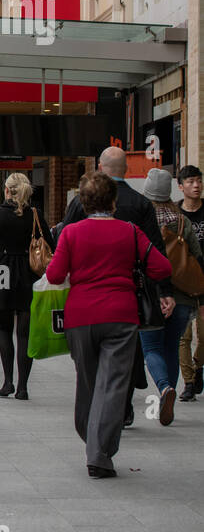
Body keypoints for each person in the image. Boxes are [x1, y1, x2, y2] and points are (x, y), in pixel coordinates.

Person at [45, 172, 172, 477]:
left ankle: (90, 436)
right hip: (120, 315)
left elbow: (53, 275)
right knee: (113, 384)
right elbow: (162, 267)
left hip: (80, 317)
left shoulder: (71, 233)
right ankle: (100, 452)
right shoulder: (130, 232)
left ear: (84, 203)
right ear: (113, 202)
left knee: (88, 381)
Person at [61, 146, 168, 427]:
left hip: (84, 301)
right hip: (128, 295)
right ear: (126, 170)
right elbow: (157, 253)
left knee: (90, 365)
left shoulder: (78, 208)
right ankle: (123, 408)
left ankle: (93, 420)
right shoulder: (141, 204)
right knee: (126, 355)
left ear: (100, 167)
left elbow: (60, 247)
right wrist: (163, 291)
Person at [0, 172, 55, 400]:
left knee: (4, 329)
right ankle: (23, 387)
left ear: (7, 191)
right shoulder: (35, 215)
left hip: (3, 272)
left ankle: (7, 382)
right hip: (29, 274)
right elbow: (51, 245)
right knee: (24, 333)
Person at [139, 167, 204, 421]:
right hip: (182, 298)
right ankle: (169, 399)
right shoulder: (181, 220)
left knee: (152, 348)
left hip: (151, 295)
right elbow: (197, 257)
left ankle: (164, 388)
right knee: (172, 348)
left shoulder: (142, 221)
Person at [176, 165, 204, 401]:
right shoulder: (175, 214)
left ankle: (198, 367)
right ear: (181, 186)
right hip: (182, 283)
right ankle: (188, 381)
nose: (196, 185)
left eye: (199, 181)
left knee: (203, 335)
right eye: (191, 181)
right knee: (183, 336)